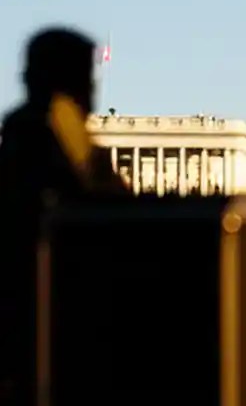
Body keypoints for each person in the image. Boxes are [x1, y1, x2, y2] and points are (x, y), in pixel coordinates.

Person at [0, 28, 126, 406]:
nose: (93, 92)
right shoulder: (43, 133)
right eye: (86, 80)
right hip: (48, 327)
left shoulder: (52, 133)